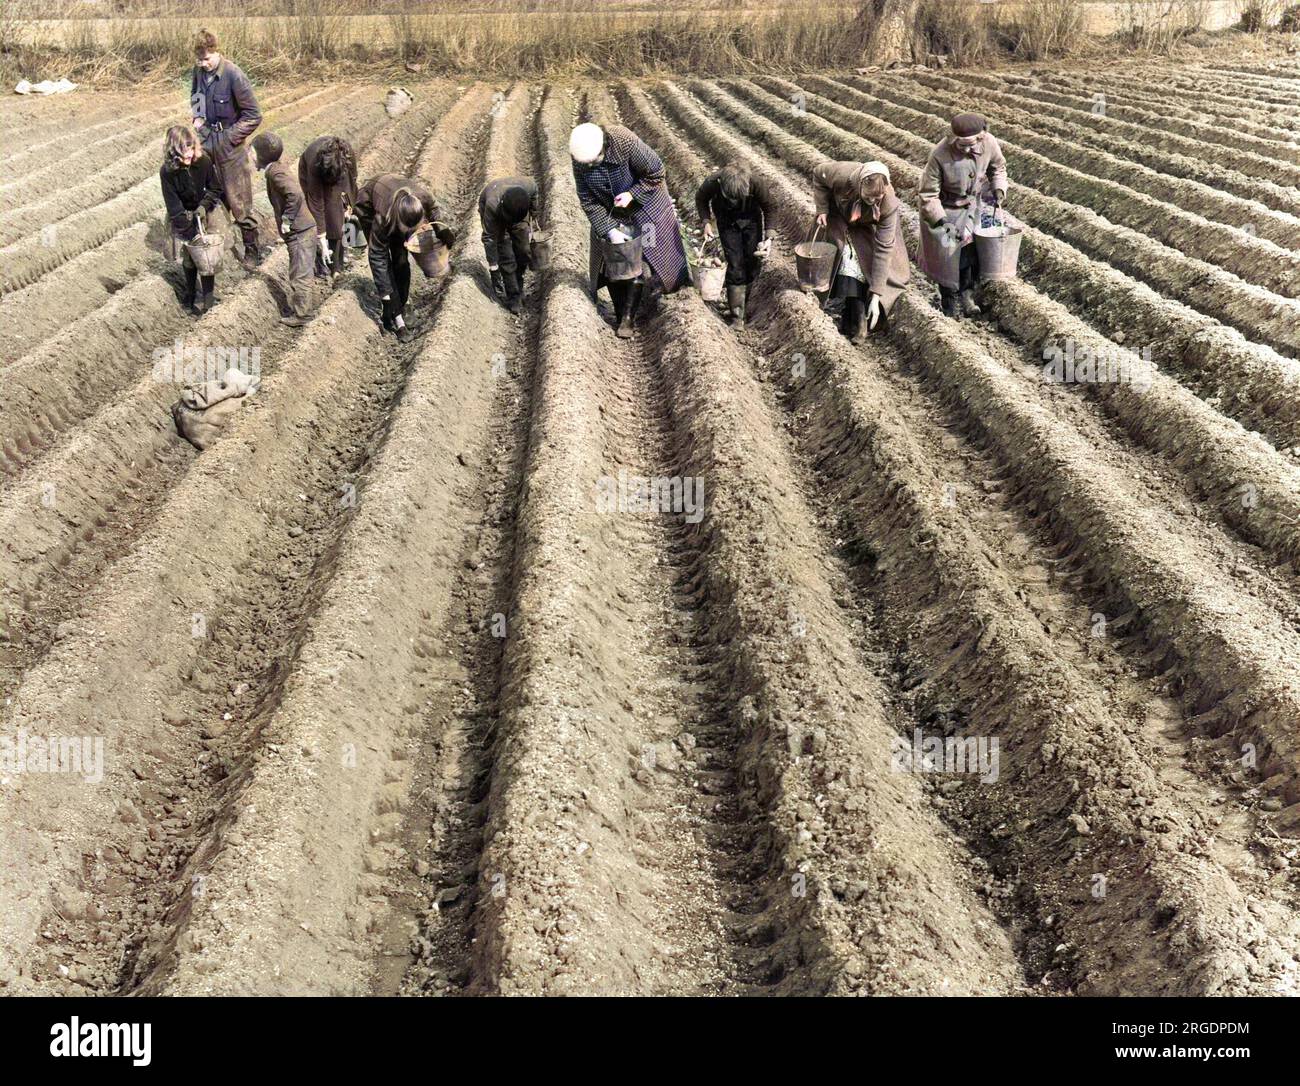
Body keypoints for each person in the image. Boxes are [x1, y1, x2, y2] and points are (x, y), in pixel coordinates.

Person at [570, 122, 689, 339]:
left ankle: (643, 304)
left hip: (646, 204)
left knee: (651, 252)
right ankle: (622, 316)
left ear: (604, 146)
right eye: (587, 165)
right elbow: (588, 201)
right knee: (613, 260)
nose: (592, 167)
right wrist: (610, 230)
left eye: (596, 160)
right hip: (610, 210)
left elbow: (656, 172)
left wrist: (632, 194)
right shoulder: (581, 158)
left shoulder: (625, 142)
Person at [917, 112, 1008, 320]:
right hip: (947, 210)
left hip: (975, 206)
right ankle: (950, 300)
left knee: (972, 253)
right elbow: (928, 194)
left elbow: (998, 168)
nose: (967, 149)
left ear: (981, 136)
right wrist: (942, 221)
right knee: (947, 257)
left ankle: (968, 295)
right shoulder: (940, 154)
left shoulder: (990, 143)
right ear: (953, 138)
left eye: (971, 144)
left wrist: (999, 189)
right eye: (962, 145)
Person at [812, 160, 910, 343]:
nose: (873, 201)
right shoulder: (841, 175)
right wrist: (822, 209)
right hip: (839, 214)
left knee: (863, 262)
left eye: (877, 198)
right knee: (844, 256)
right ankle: (848, 313)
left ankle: (857, 318)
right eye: (869, 196)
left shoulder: (888, 203)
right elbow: (818, 174)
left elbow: (884, 248)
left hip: (866, 225)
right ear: (860, 184)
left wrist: (877, 294)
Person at [189, 27, 263, 271]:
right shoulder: (198, 73)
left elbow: (253, 115)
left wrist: (229, 138)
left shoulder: (233, 74)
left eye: (207, 59)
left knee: (240, 203)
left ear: (216, 52)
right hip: (207, 145)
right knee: (212, 198)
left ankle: (253, 251)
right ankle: (220, 248)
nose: (203, 63)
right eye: (199, 59)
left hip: (230, 149)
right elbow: (196, 102)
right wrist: (199, 125)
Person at [353, 173, 456, 343]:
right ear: (398, 220)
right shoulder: (382, 220)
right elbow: (378, 259)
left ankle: (404, 302)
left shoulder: (421, 197)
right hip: (368, 207)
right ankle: (397, 318)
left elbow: (434, 209)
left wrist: (440, 229)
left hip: (391, 196)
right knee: (388, 266)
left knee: (401, 260)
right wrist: (386, 299)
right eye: (406, 228)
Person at [695, 162, 777, 330]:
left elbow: (770, 207)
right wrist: (706, 222)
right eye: (729, 197)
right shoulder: (713, 182)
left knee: (753, 262)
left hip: (751, 221)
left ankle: (744, 305)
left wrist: (769, 238)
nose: (733, 201)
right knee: (735, 263)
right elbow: (701, 199)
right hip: (726, 221)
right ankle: (736, 317)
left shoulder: (755, 183)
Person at [252, 133, 317, 328]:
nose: (250, 156)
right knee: (300, 271)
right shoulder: (276, 169)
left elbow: (294, 193)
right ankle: (303, 310)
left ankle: (303, 315)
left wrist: (287, 218)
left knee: (300, 274)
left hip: (301, 231)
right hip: (301, 230)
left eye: (252, 152)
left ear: (261, 155)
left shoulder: (275, 173)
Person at [159, 124, 225, 315]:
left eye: (191, 151)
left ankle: (208, 300)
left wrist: (204, 207)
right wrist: (190, 233)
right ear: (173, 153)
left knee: (207, 257)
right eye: (183, 154)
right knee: (189, 257)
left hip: (205, 212)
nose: (189, 157)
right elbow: (173, 207)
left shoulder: (203, 161)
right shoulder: (167, 172)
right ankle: (189, 295)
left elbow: (215, 188)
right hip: (183, 217)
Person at [299, 134, 358, 283]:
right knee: (326, 216)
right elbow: (316, 201)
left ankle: (344, 250)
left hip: (339, 172)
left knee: (338, 213)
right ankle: (328, 262)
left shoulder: (347, 155)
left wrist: (347, 204)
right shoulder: (314, 163)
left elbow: (352, 181)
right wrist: (322, 237)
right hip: (312, 173)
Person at [479, 176, 538, 314]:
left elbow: (535, 193)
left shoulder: (528, 186)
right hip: (498, 212)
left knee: (524, 251)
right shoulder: (492, 206)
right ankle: (514, 296)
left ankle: (519, 279)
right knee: (507, 258)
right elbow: (489, 238)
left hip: (518, 214)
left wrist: (534, 213)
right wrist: (493, 268)